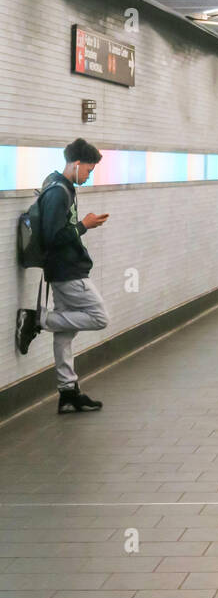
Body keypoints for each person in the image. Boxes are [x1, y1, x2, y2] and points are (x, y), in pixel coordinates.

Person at [15, 138, 109, 414]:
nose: (89, 176)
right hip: (68, 272)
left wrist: (82, 225)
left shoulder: (61, 186)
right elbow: (52, 236)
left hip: (63, 269)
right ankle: (38, 318)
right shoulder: (59, 193)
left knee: (65, 335)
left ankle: (68, 392)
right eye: (89, 170)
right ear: (76, 164)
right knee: (99, 317)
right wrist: (84, 225)